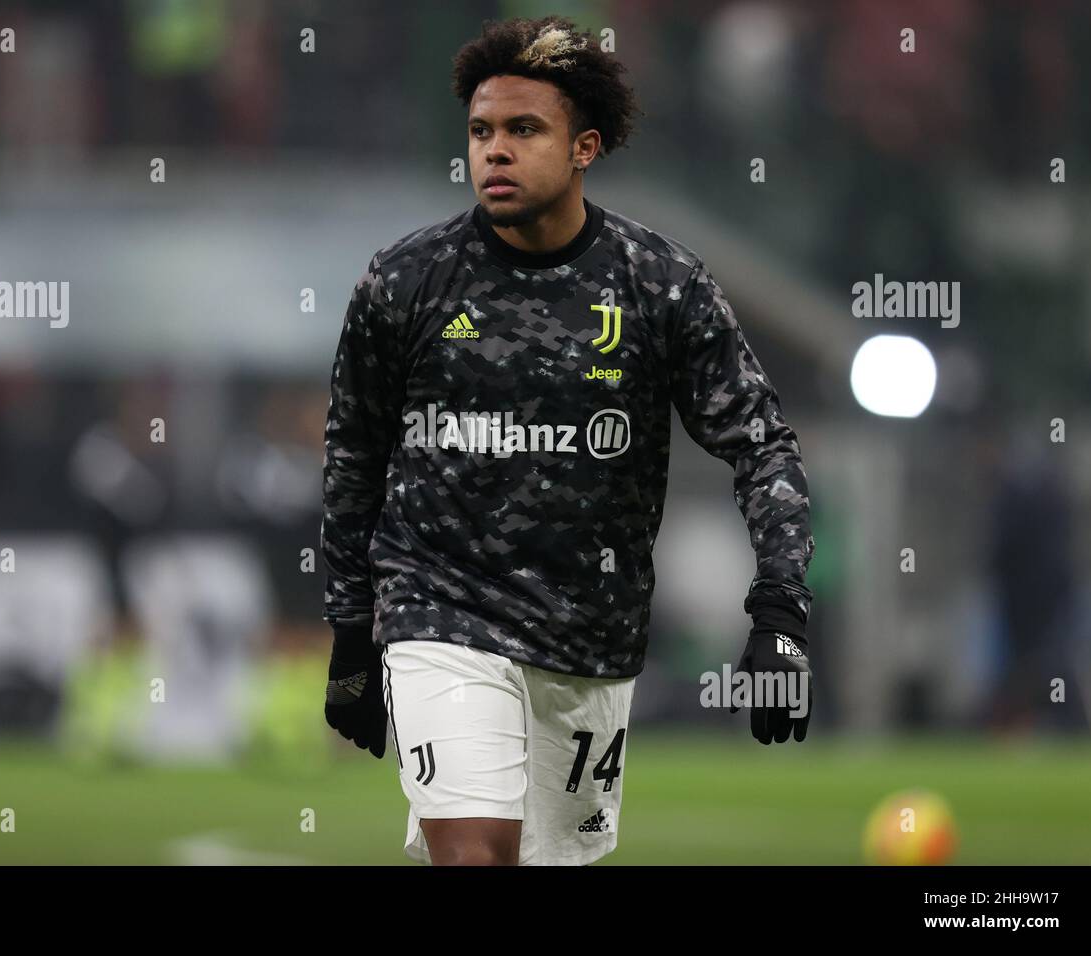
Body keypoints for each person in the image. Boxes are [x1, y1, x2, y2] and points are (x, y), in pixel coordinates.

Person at [320, 16, 815, 866]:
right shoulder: (402, 284)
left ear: (584, 147)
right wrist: (351, 631)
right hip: (440, 613)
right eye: (481, 131)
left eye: (523, 130)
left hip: (590, 642)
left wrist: (780, 615)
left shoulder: (660, 287)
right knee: (475, 852)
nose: (495, 151)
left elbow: (763, 447)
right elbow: (353, 458)